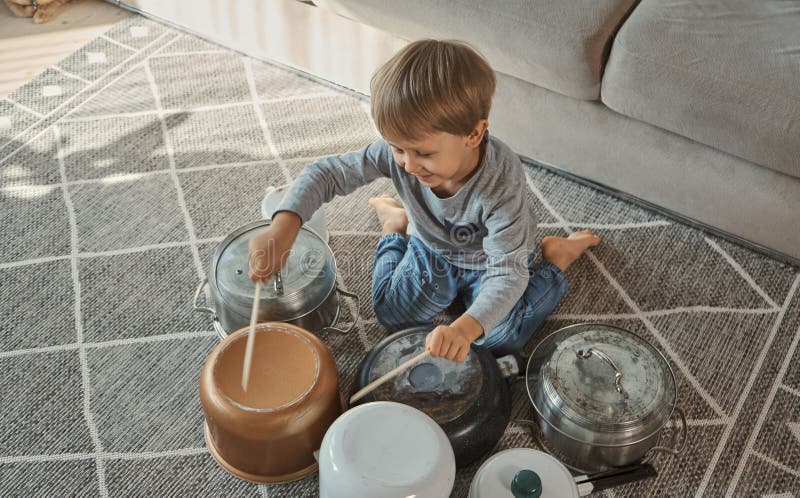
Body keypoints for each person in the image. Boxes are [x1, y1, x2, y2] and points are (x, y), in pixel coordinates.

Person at [248, 39, 600, 361]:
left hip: (490, 263)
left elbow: (508, 272)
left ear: (473, 134)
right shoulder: (400, 156)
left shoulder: (501, 181)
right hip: (432, 250)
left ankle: (556, 260)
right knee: (389, 315)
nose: (408, 164)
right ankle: (394, 228)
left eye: (423, 153)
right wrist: (284, 225)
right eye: (397, 148)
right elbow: (327, 174)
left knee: (497, 341)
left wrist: (465, 328)